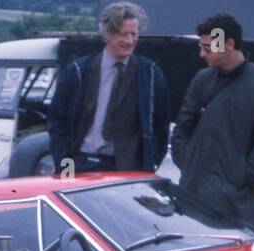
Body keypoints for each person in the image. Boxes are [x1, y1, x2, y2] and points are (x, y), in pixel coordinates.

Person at [171, 12, 254, 227]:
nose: (201, 54)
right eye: (201, 47)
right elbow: (182, 129)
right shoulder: (201, 80)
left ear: (229, 44)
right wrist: (188, 166)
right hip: (192, 199)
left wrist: (238, 180)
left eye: (207, 47)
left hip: (237, 209)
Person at [47, 1, 170, 174]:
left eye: (134, 34)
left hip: (128, 170)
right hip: (79, 163)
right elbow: (57, 121)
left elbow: (161, 127)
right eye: (123, 34)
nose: (129, 40)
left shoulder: (150, 74)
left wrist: (150, 164)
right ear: (106, 34)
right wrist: (63, 163)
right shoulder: (78, 71)